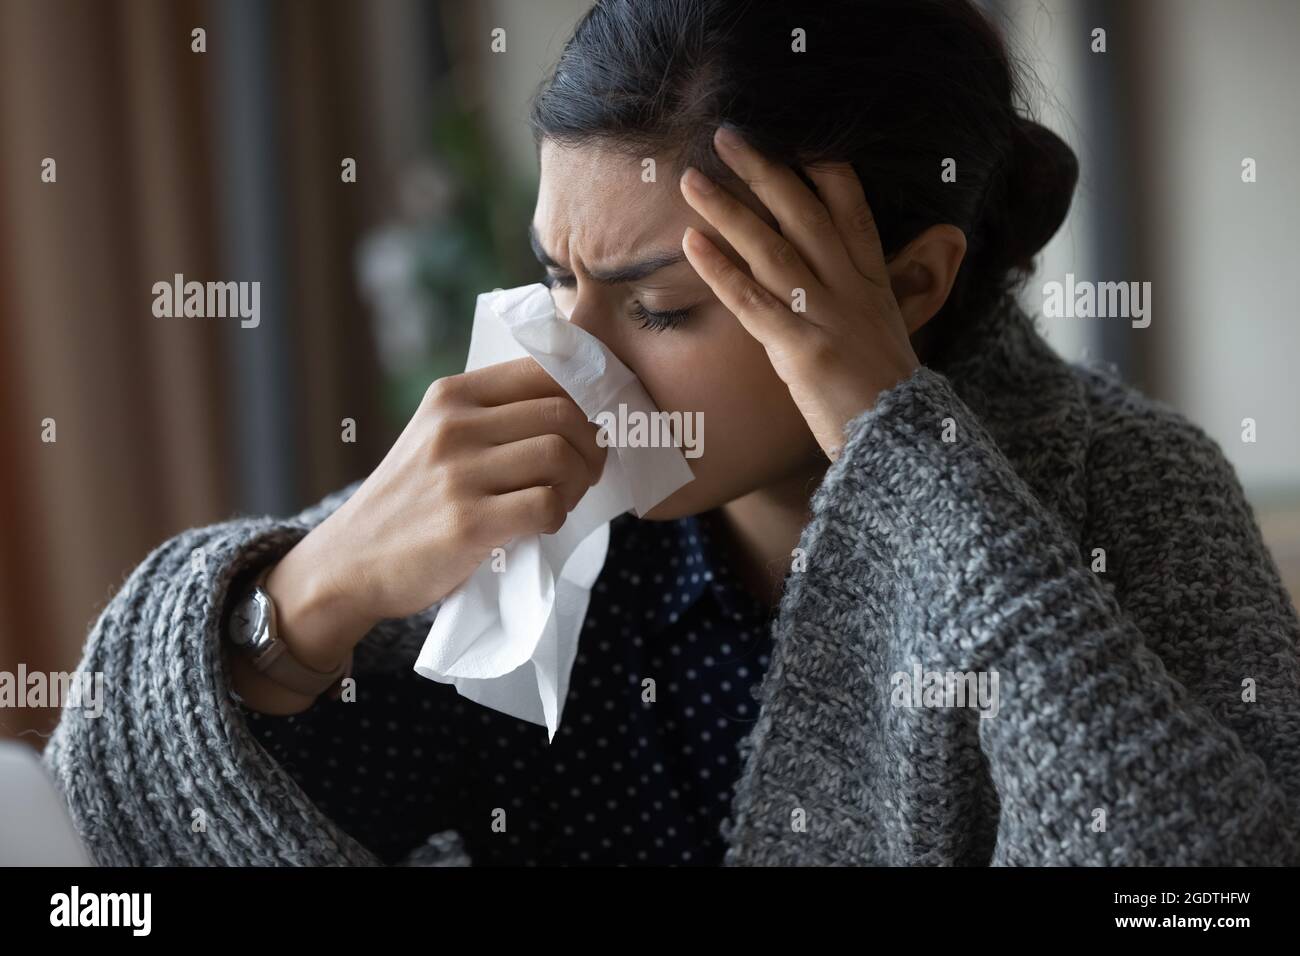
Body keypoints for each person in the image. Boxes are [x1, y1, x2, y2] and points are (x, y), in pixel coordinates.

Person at [42, 0, 1300, 866]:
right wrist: (316, 585)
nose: (576, 352)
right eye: (554, 276)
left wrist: (907, 456)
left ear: (909, 285)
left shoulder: (1125, 491)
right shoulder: (534, 514)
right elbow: (107, 821)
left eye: (660, 306)